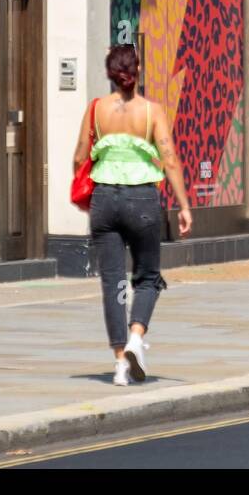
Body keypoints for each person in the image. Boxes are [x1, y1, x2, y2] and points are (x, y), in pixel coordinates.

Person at [75, 45, 192, 386]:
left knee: (112, 281)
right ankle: (136, 339)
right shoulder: (151, 112)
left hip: (104, 200)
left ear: (111, 74)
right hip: (142, 199)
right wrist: (184, 205)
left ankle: (119, 363)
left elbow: (80, 155)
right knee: (148, 276)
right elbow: (169, 159)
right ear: (137, 70)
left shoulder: (96, 109)